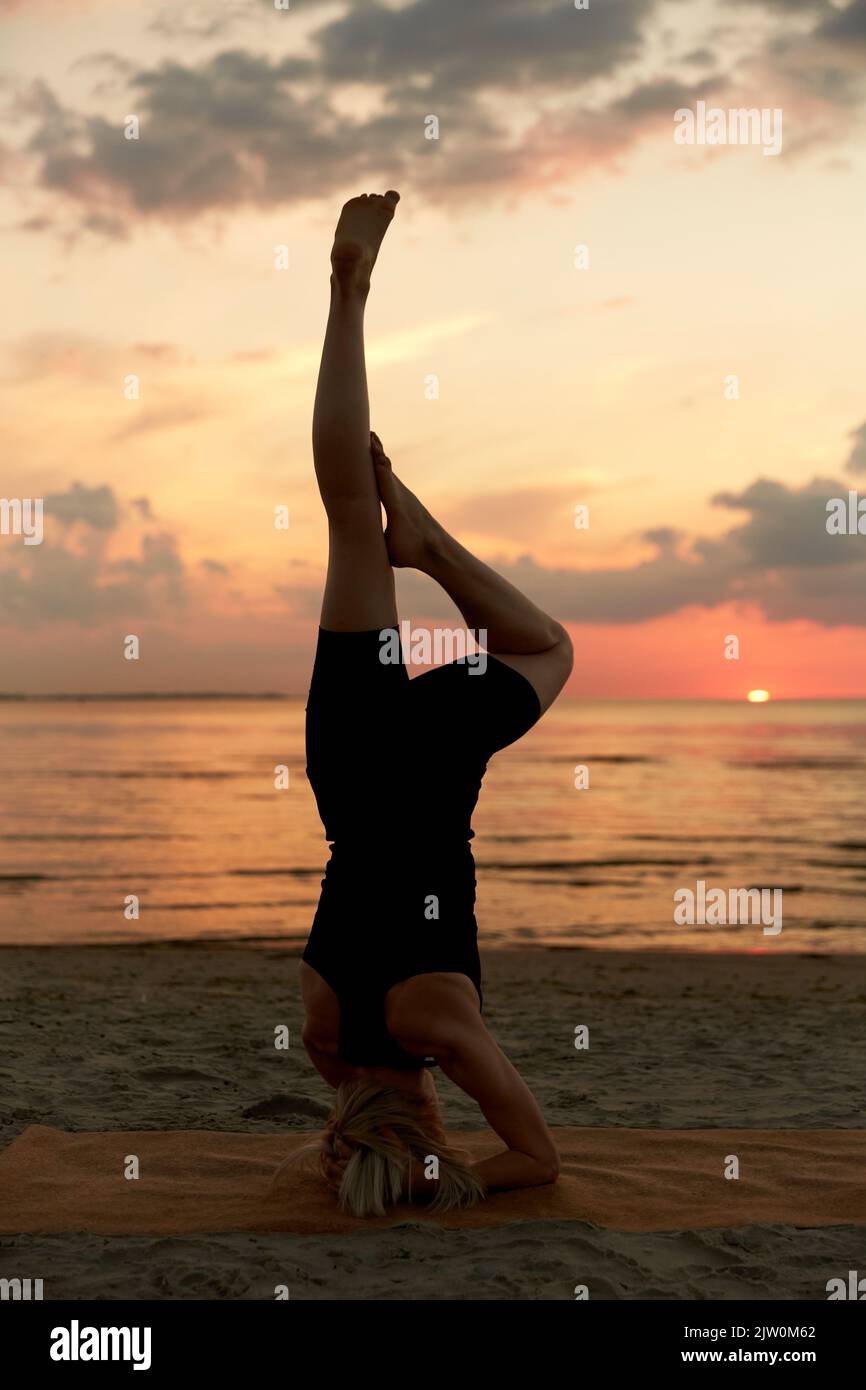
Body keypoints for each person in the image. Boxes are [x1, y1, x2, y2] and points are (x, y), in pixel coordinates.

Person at [292, 191, 573, 1217]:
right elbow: (362, 1103)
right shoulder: (320, 1025)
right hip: (346, 767)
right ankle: (345, 298)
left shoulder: (441, 1027)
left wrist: (434, 1184)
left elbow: (534, 1160)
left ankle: (431, 547)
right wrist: (364, 1152)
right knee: (342, 521)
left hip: (430, 774)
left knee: (550, 648)